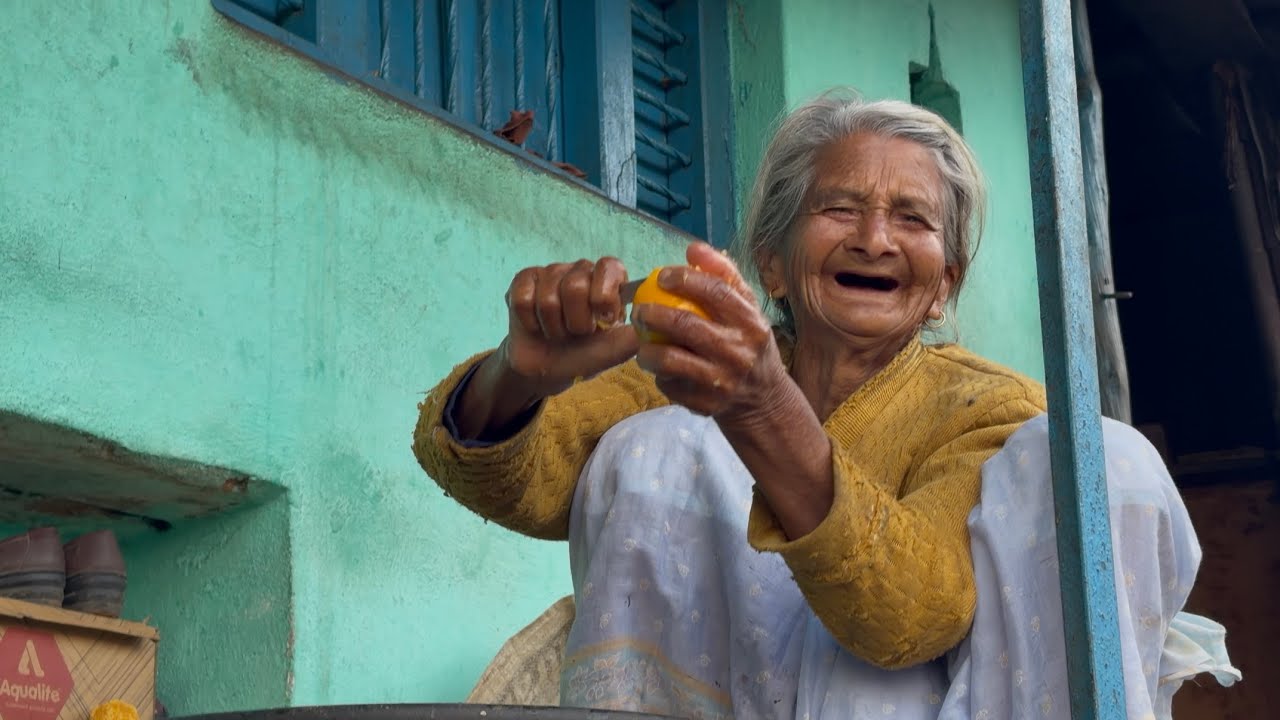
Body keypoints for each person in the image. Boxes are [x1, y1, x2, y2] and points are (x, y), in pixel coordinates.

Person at [414, 93, 1235, 719]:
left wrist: (764, 411)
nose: (874, 238)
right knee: (662, 443)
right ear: (771, 264)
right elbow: (518, 484)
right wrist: (518, 375)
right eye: (840, 208)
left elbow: (913, 617)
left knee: (1103, 460)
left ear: (943, 287)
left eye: (912, 218)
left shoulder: (992, 411)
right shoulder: (690, 371)